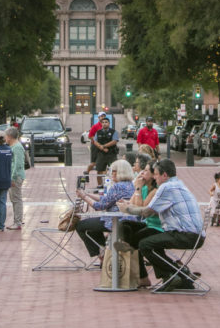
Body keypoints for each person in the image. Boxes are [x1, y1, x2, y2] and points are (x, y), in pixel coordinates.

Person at [118, 158, 205, 291]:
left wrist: (126, 209)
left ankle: (178, 275)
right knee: (150, 242)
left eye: (156, 174)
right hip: (194, 234)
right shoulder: (178, 183)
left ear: (164, 175)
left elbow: (147, 212)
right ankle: (175, 277)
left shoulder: (166, 187)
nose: (154, 177)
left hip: (186, 235)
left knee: (144, 244)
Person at [74, 159, 137, 259]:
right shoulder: (130, 184)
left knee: (80, 225)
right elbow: (107, 200)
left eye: (113, 171)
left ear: (120, 172)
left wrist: (84, 197)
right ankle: (104, 249)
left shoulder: (117, 186)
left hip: (115, 221)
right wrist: (88, 194)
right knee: (92, 227)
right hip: (128, 220)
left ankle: (101, 253)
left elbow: (100, 206)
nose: (111, 173)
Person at [91, 115, 119, 188]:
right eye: (103, 122)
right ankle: (100, 186)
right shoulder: (98, 132)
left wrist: (104, 146)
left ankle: (115, 185)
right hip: (101, 154)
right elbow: (95, 141)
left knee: (115, 170)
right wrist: (102, 148)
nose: (104, 123)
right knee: (99, 170)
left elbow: (114, 141)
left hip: (112, 154)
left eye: (106, 122)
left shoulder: (114, 132)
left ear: (109, 123)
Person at [85, 112, 108, 177]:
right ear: (98, 117)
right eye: (101, 116)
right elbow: (90, 136)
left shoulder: (107, 126)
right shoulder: (95, 126)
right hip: (95, 146)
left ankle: (103, 176)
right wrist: (97, 139)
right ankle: (87, 171)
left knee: (104, 162)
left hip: (104, 146)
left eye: (104, 116)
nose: (103, 117)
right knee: (94, 163)